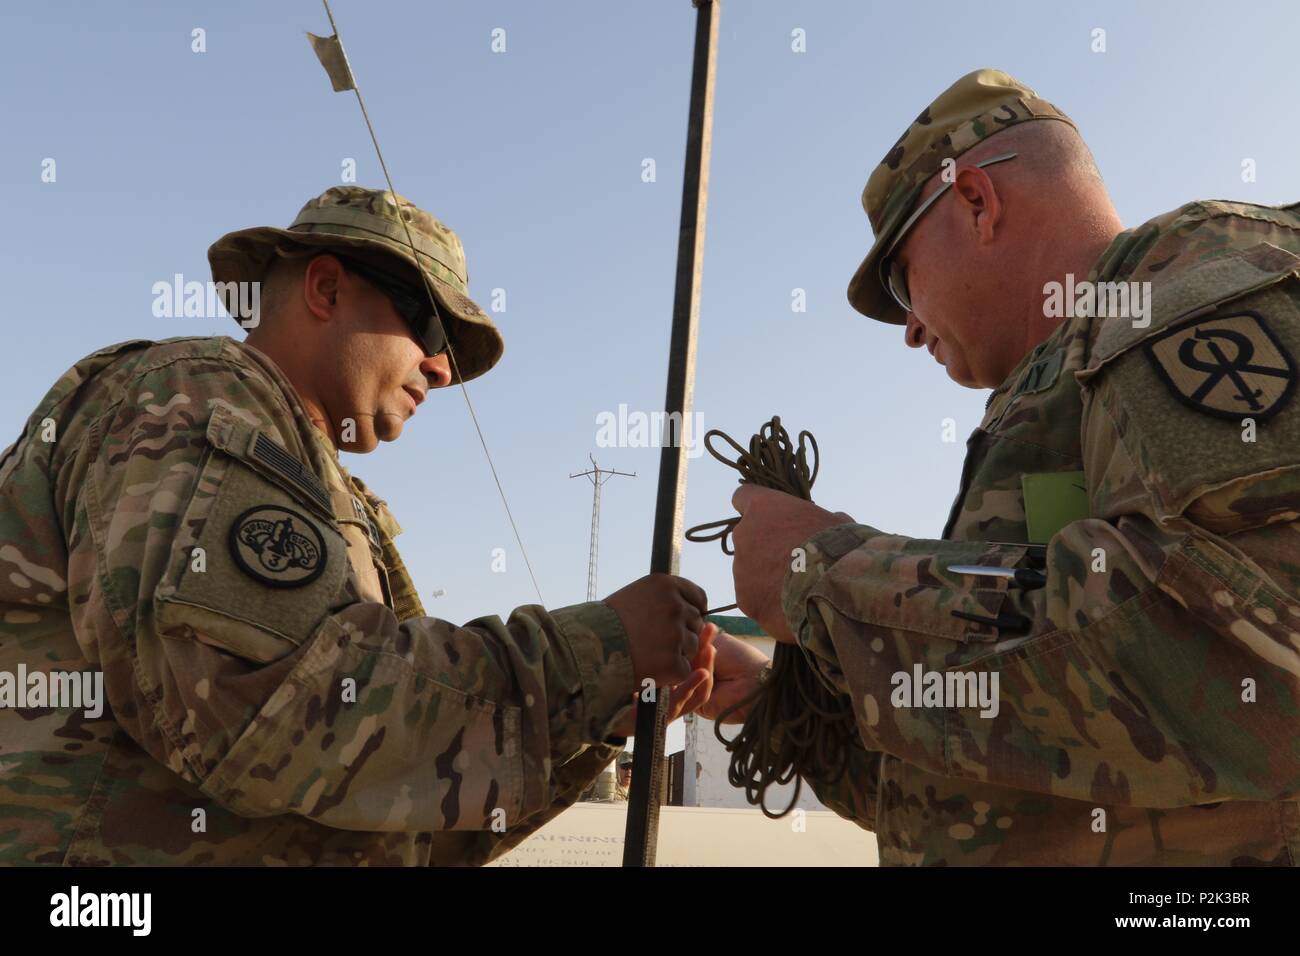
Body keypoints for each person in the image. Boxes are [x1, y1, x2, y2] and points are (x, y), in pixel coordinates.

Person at [0, 185, 717, 866]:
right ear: (326, 289)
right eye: (432, 328)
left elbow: (396, 818)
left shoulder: (335, 499)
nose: (440, 370)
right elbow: (270, 711)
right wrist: (595, 651)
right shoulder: (189, 398)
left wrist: (602, 716)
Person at [722, 69, 1300, 865]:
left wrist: (820, 573)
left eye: (901, 281)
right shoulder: (1063, 380)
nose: (911, 330)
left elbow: (1255, 667)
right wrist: (771, 694)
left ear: (974, 202)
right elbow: (985, 779)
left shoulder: (1189, 286)